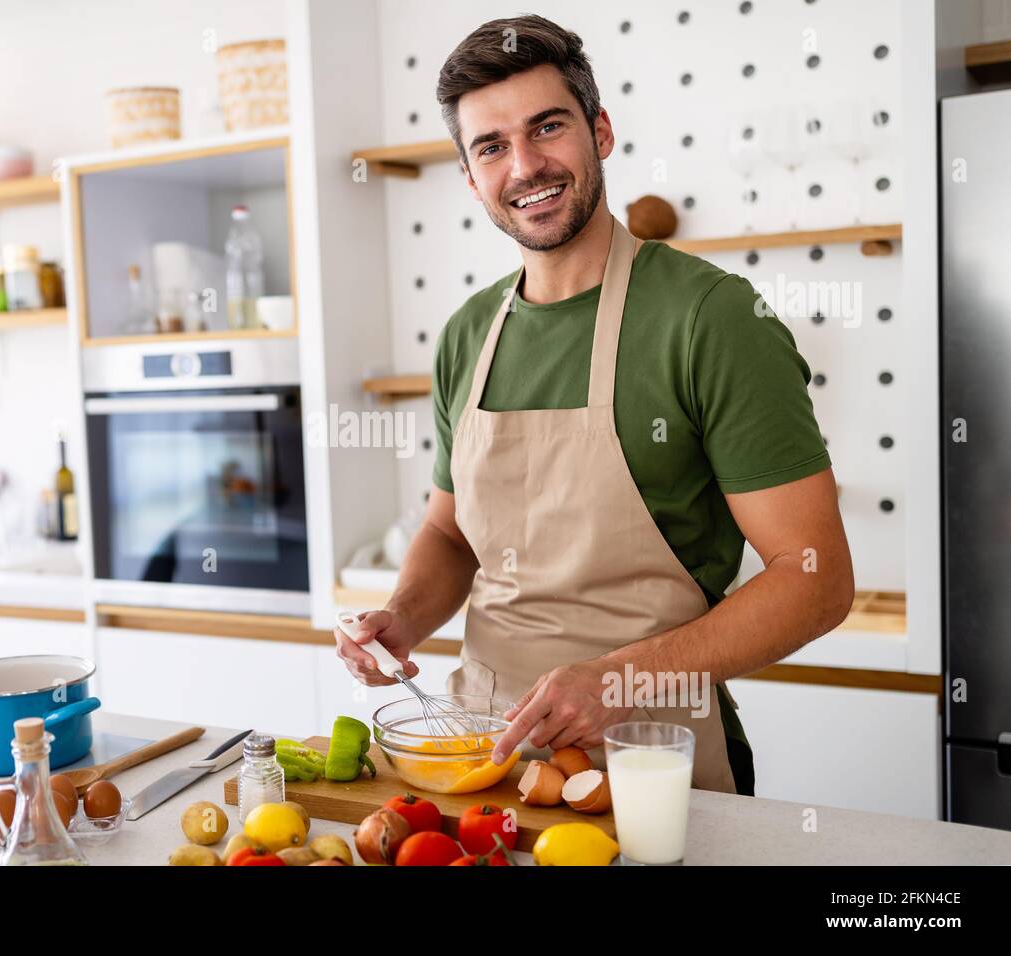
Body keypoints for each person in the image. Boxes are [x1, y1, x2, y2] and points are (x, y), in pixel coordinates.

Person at [333, 14, 854, 794]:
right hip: (481, 759)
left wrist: (612, 683)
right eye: (492, 146)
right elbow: (449, 533)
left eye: (549, 127)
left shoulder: (709, 318)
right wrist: (403, 617)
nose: (526, 165)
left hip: (651, 762)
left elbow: (814, 579)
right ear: (471, 176)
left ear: (600, 131)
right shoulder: (467, 334)